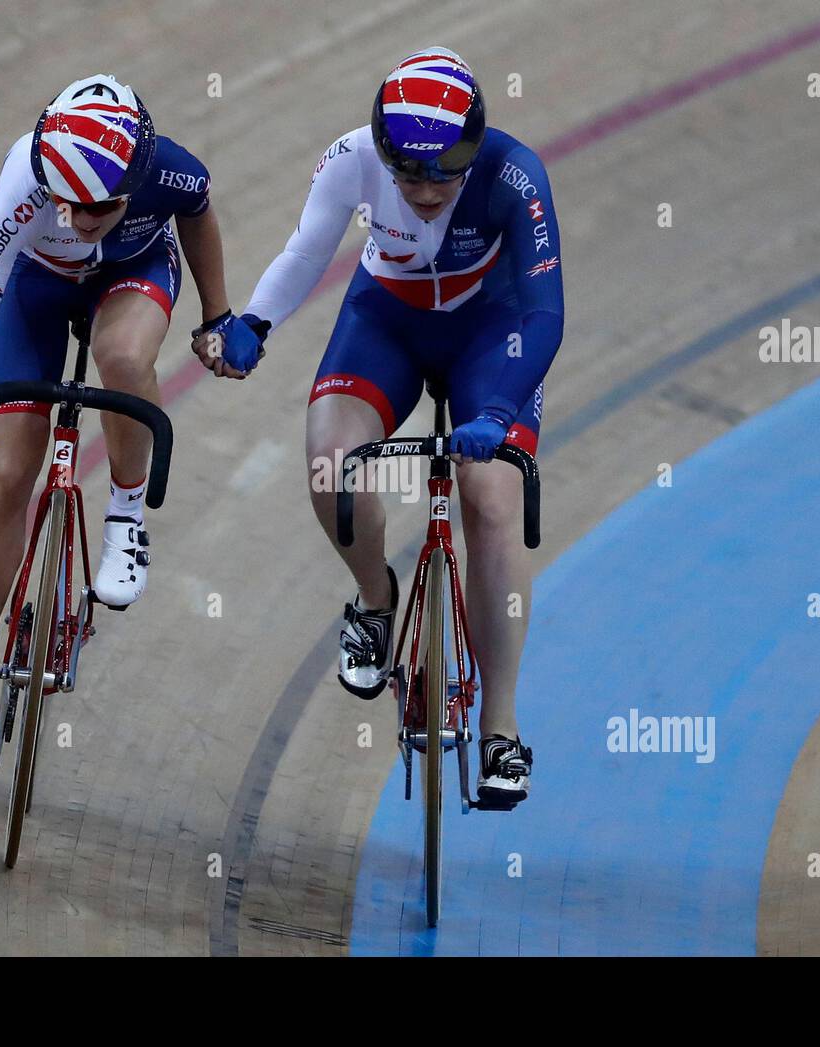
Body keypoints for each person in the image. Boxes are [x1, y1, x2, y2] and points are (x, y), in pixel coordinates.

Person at [201, 48, 564, 805]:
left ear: (475, 151)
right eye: (412, 177)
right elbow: (307, 249)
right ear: (383, 155)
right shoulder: (350, 160)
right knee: (329, 465)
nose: (428, 192)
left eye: (445, 175)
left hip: (489, 334)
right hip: (387, 323)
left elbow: (542, 311)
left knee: (490, 501)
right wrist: (256, 323)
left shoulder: (515, 174)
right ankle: (374, 598)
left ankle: (500, 728)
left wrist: (497, 410)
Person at [0, 73, 260, 762]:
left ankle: (126, 516)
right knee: (7, 467)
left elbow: (198, 213)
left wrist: (217, 314)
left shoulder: (166, 168)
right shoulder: (24, 181)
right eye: (70, 206)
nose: (82, 220)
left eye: (100, 208)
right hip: (38, 291)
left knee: (118, 356)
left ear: (132, 182)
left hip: (133, 274)